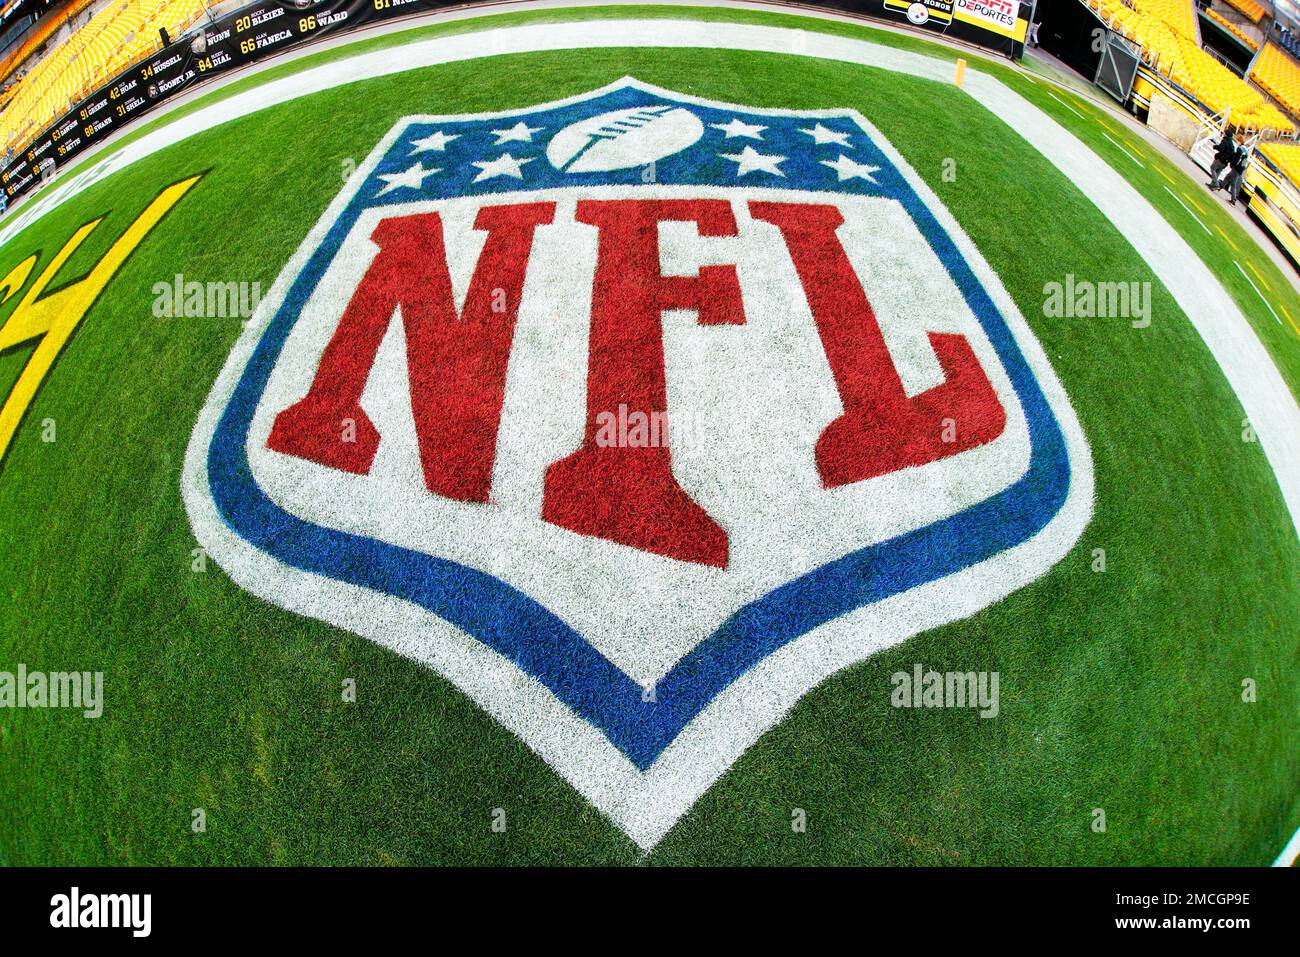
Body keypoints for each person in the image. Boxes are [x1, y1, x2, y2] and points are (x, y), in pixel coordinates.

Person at [1225, 141, 1250, 206]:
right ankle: (1220, 185)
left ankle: (1233, 199)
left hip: (1237, 168)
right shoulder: (1247, 153)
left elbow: (1238, 159)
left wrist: (1233, 164)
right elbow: (1244, 164)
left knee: (1233, 183)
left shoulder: (1240, 149)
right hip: (1240, 170)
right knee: (1228, 176)